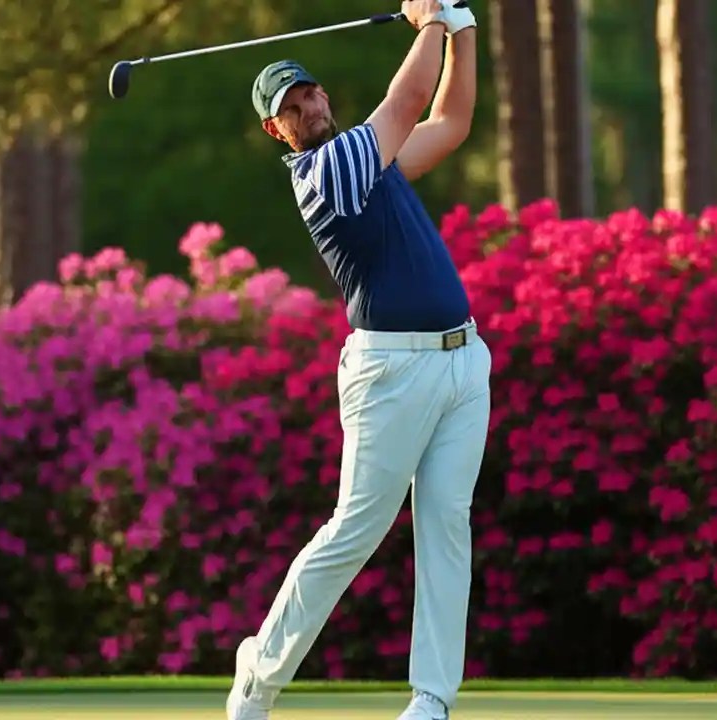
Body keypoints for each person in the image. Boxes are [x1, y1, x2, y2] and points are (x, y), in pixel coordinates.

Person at [227, 2, 488, 720]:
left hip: (463, 362)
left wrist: (461, 31)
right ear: (274, 131)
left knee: (445, 523)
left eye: (308, 92)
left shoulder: (379, 160)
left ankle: (431, 699)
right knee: (354, 530)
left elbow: (452, 120)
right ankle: (259, 677)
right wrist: (431, 18)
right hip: (391, 373)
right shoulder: (325, 170)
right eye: (289, 106)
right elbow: (406, 101)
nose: (306, 105)